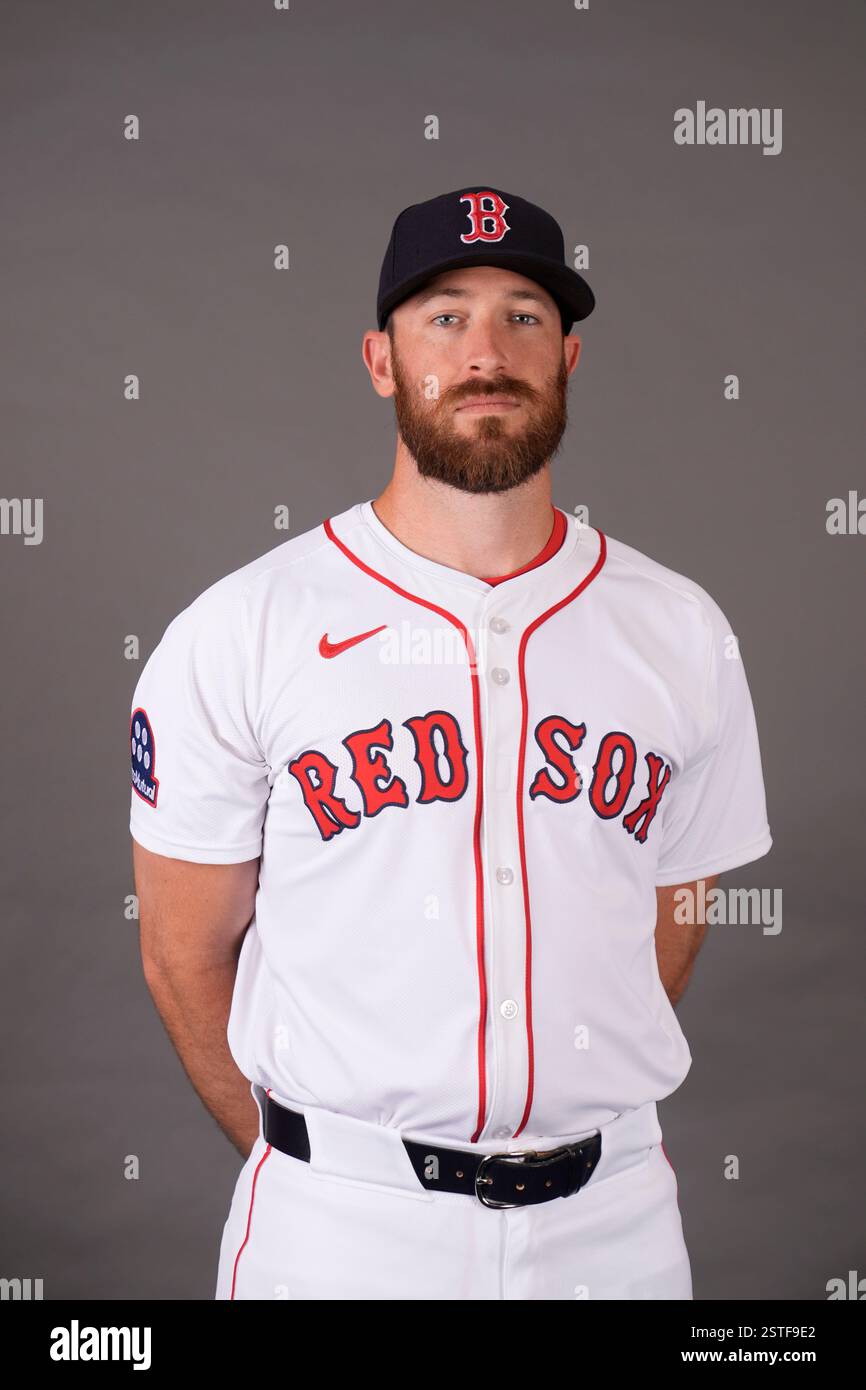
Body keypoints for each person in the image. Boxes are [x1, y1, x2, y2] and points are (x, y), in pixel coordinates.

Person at [129, 186, 772, 1300]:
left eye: (523, 315)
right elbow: (183, 955)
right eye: (443, 315)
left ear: (568, 356)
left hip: (611, 1225)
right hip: (337, 1233)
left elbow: (667, 918)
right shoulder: (242, 628)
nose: (485, 351)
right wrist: (332, 1171)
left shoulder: (679, 628)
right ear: (380, 360)